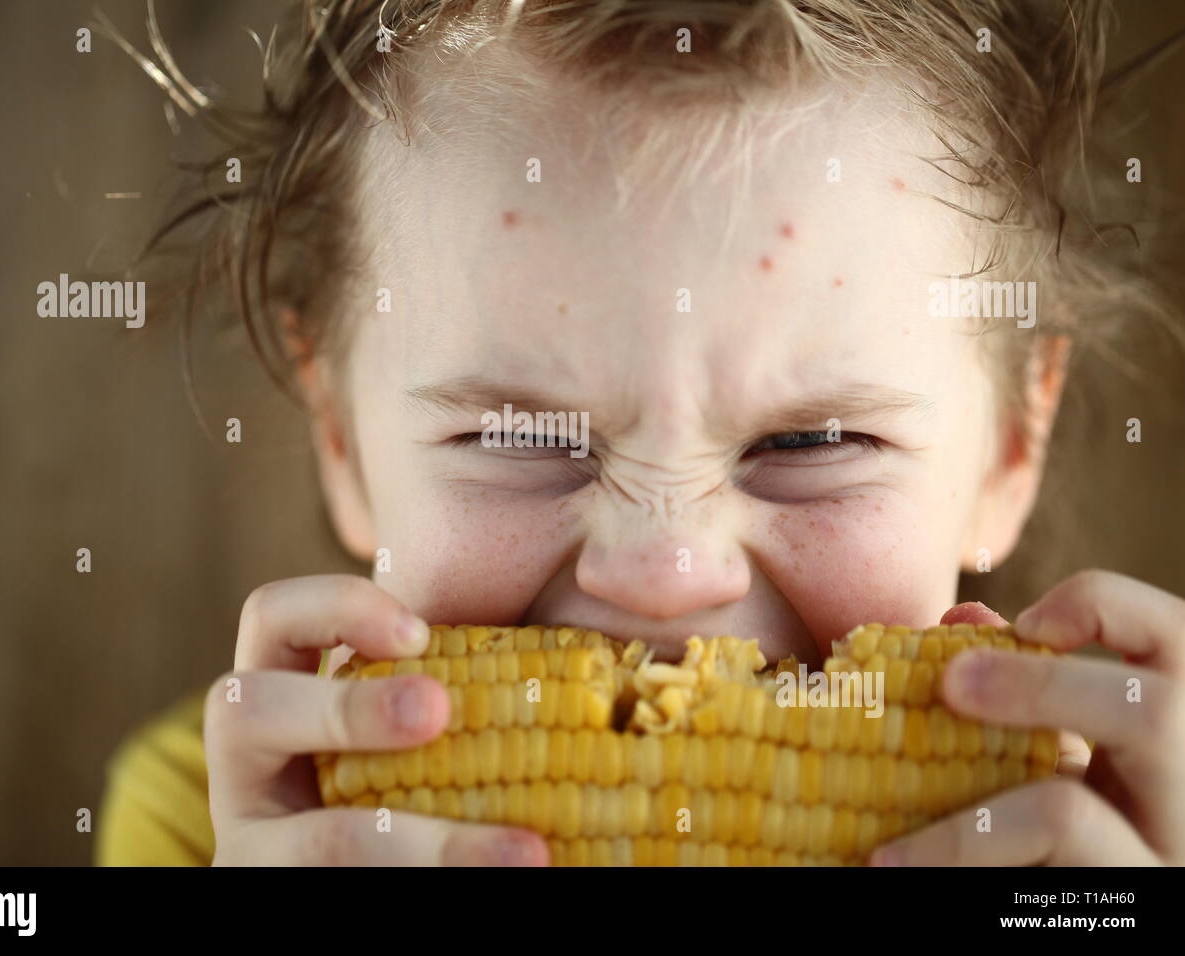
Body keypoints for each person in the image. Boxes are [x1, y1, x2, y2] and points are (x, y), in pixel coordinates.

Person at [96, 0, 1185, 866]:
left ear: (1007, 449)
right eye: (521, 436)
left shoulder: (1099, 852)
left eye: (808, 445)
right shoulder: (206, 821)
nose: (665, 574)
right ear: (339, 436)